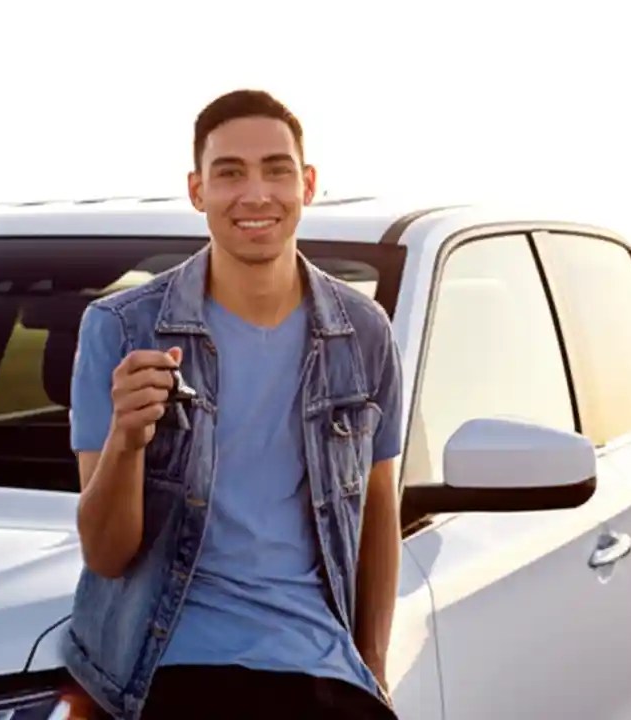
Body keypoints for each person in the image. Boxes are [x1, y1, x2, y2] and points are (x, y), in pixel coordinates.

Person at [61, 89, 404, 720]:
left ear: (308, 183)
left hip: (321, 670)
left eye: (276, 170)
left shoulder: (364, 333)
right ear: (197, 191)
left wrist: (374, 667)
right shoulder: (122, 330)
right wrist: (126, 441)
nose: (255, 194)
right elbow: (106, 555)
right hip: (165, 671)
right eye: (229, 173)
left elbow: (378, 508)